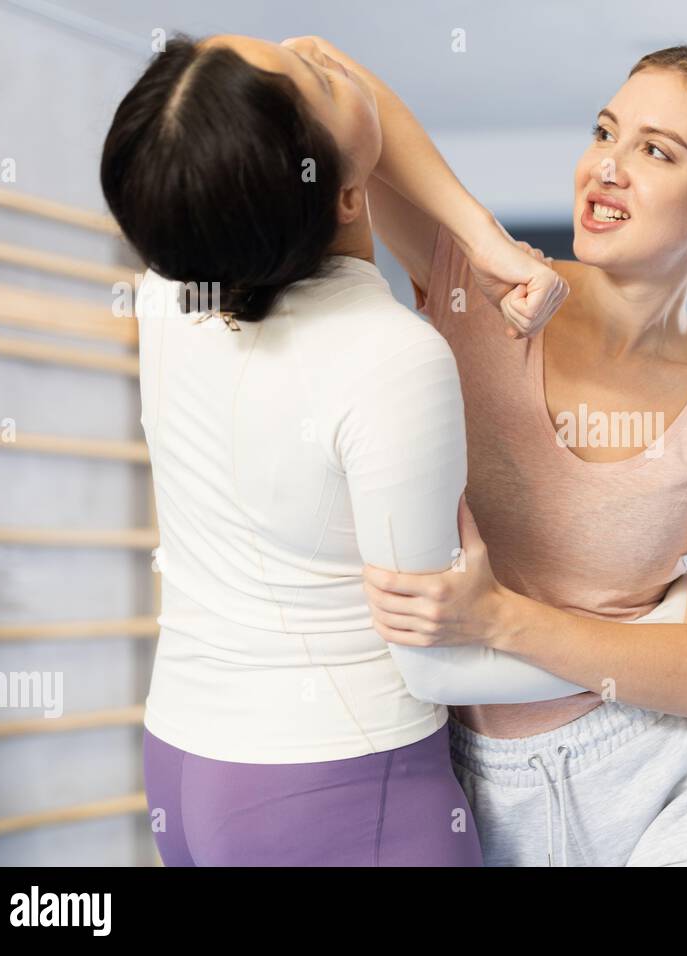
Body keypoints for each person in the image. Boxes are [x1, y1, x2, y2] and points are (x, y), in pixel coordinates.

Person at [101, 33, 582, 865]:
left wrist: (485, 243)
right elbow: (436, 664)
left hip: (187, 761)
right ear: (347, 202)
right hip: (341, 787)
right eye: (317, 76)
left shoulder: (176, 280)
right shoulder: (389, 358)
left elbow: (354, 125)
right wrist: (654, 647)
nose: (320, 49)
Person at [325, 35, 687, 865]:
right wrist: (483, 240)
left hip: (675, 779)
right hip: (467, 780)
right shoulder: (483, 289)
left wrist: (499, 619)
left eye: (656, 151)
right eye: (605, 131)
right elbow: (318, 74)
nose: (607, 167)